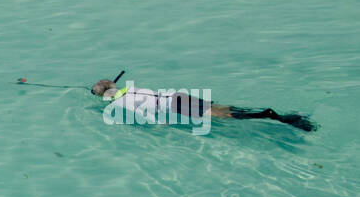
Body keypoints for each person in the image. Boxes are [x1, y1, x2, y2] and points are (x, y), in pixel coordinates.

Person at [91, 78, 316, 132]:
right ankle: (276, 114)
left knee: (224, 117)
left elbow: (153, 120)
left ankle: (270, 116)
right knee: (226, 109)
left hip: (175, 108)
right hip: (177, 97)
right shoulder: (130, 88)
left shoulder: (123, 102)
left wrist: (164, 127)